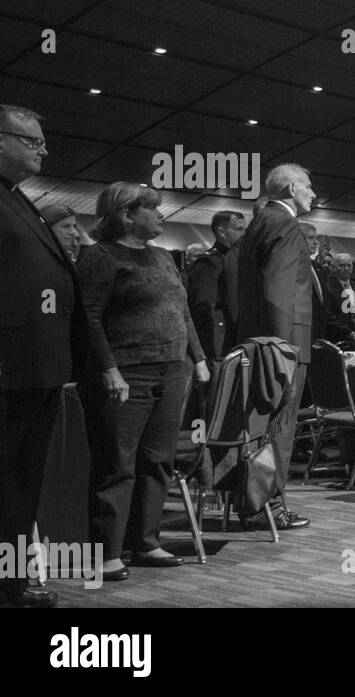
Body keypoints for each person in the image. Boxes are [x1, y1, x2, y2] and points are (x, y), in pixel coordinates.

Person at [79, 182, 210, 581]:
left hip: (172, 370)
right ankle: (106, 552)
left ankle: (146, 542)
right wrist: (108, 368)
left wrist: (199, 358)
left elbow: (182, 311)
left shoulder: (163, 257)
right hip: (126, 371)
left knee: (158, 461)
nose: (161, 215)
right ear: (126, 215)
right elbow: (89, 317)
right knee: (117, 463)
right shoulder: (100, 256)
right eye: (153, 209)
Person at [0, 105, 87, 608]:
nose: (43, 149)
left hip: (35, 369)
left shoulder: (20, 199)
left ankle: (11, 583)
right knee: (7, 483)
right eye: (31, 141)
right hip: (10, 367)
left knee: (20, 484)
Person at [235, 163, 316, 531]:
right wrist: (283, 349)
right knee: (279, 431)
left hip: (257, 340)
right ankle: (270, 505)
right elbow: (279, 290)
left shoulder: (259, 222)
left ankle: (256, 504)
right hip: (283, 344)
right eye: (308, 187)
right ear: (290, 188)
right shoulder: (284, 223)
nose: (313, 194)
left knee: (260, 430)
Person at [187, 211, 247, 371]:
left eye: (245, 230)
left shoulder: (239, 261)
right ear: (221, 231)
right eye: (239, 229)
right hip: (219, 344)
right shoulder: (209, 263)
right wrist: (207, 352)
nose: (244, 234)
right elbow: (203, 308)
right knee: (217, 392)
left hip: (237, 340)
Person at [322, 252, 355, 347]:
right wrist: (348, 332)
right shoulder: (327, 286)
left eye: (349, 265)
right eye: (341, 266)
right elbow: (328, 315)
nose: (346, 269)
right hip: (337, 340)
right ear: (333, 267)